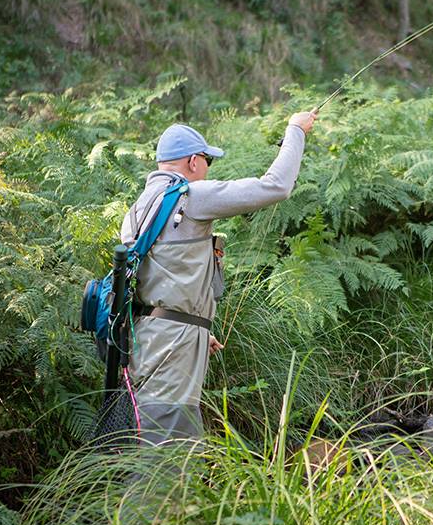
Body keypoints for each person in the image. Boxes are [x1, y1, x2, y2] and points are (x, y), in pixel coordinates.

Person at [120, 112, 316, 446]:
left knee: (171, 434)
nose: (208, 168)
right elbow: (276, 186)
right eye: (208, 160)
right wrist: (296, 130)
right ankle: (147, 501)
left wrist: (197, 327)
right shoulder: (189, 197)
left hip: (153, 338)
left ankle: (175, 500)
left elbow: (156, 280)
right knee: (165, 445)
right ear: (194, 161)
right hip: (173, 343)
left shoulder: (137, 209)